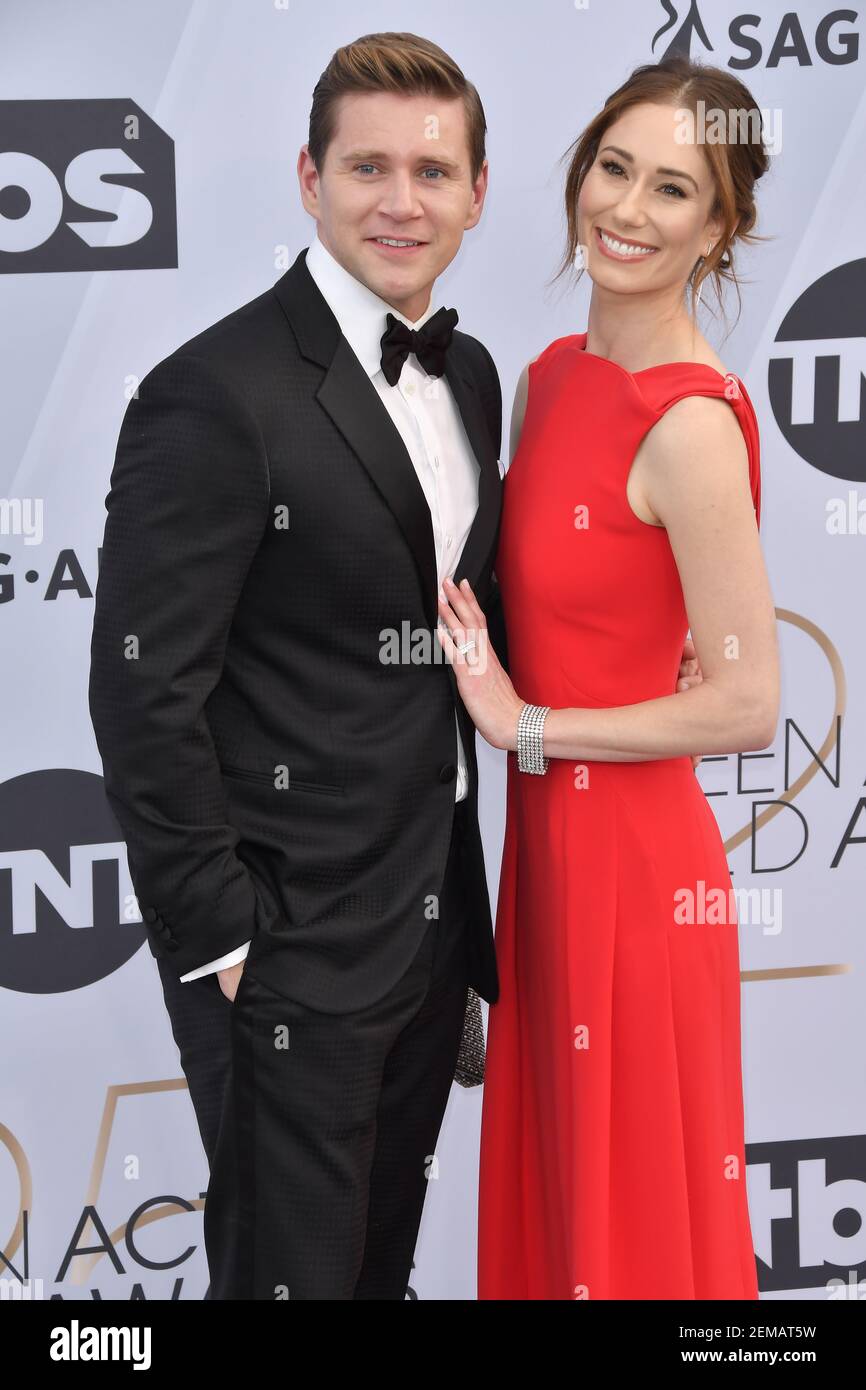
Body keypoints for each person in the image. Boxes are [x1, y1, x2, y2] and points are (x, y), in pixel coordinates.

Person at [436, 56, 779, 1299]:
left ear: (717, 224)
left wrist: (526, 723)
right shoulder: (546, 381)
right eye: (614, 167)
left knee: (628, 1234)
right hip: (542, 868)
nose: (627, 211)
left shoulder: (690, 420)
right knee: (558, 1214)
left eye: (672, 189)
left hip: (635, 883)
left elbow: (746, 703)